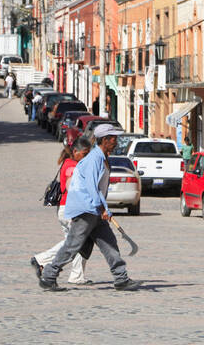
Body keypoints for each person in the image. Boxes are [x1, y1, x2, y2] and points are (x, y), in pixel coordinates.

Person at [39, 122, 139, 291]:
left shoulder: (103, 157)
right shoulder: (95, 159)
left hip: (94, 209)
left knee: (109, 243)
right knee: (72, 245)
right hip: (86, 208)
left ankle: (121, 278)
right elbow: (92, 187)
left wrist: (102, 208)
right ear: (105, 140)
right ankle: (49, 276)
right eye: (114, 139)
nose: (117, 142)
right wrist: (102, 208)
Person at [31, 137, 92, 285]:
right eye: (85, 153)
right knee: (77, 242)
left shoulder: (68, 163)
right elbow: (74, 188)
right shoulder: (72, 166)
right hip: (70, 209)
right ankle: (42, 259)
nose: (86, 157)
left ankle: (75, 275)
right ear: (75, 151)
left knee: (72, 242)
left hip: (65, 209)